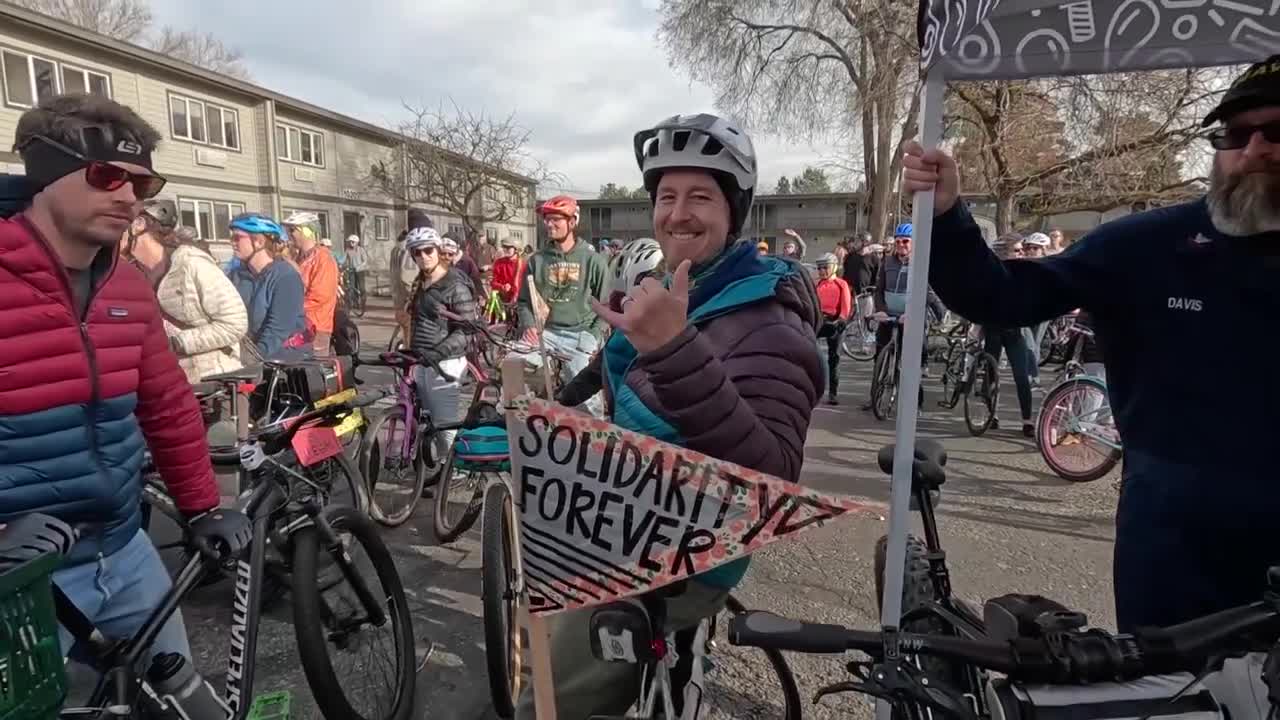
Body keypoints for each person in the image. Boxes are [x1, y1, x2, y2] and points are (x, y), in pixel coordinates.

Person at [901, 54, 1280, 632]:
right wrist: (951, 214)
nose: (1253, 150)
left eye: (1276, 131)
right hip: (1177, 548)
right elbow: (1002, 298)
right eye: (1233, 133)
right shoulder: (1148, 245)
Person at [517, 113, 822, 720]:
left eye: (700, 197)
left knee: (548, 701)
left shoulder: (769, 320)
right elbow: (612, 364)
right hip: (621, 522)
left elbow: (770, 479)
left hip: (685, 551)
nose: (678, 213)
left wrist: (676, 350)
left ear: (734, 211)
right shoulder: (664, 287)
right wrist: (553, 419)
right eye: (666, 196)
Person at [1, 92, 249, 665]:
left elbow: (167, 406)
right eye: (107, 175)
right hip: (19, 579)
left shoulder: (128, 286)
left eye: (142, 184)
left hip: (123, 550)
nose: (128, 197)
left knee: (178, 700)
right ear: (46, 174)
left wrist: (201, 507)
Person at [120, 198, 247, 383]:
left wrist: (177, 343)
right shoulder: (133, 273)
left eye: (120, 225)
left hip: (217, 382)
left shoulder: (191, 264)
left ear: (139, 225)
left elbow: (235, 324)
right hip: (171, 381)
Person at [517, 194, 608, 415]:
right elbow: (523, 301)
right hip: (544, 333)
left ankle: (594, 441)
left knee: (587, 399)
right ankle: (528, 430)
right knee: (514, 371)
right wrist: (529, 324)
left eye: (556, 219)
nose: (549, 224)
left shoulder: (593, 260)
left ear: (572, 222)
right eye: (547, 219)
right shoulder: (536, 260)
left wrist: (594, 334)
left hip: (580, 333)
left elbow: (606, 306)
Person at [403, 226, 478, 461]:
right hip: (423, 361)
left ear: (438, 251)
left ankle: (455, 468)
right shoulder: (421, 282)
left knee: (445, 423)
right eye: (417, 252)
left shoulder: (455, 285)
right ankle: (440, 464)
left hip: (447, 363)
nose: (423, 256)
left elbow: (466, 331)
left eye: (428, 250)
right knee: (431, 420)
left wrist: (439, 352)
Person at [861, 222, 945, 411]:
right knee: (880, 357)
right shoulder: (887, 262)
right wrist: (880, 309)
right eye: (898, 242)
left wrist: (915, 314)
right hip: (889, 315)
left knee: (910, 362)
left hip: (911, 316)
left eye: (905, 241)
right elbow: (879, 289)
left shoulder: (922, 263)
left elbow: (928, 292)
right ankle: (875, 395)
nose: (901, 245)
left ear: (913, 243)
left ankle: (917, 403)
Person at [226, 213, 308, 358]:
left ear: (258, 242)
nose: (232, 242)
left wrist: (250, 360)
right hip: (250, 355)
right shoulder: (235, 276)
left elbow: (276, 331)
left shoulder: (285, 277)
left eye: (237, 237)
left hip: (285, 361)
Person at [978, 234, 1036, 436]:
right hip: (993, 328)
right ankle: (990, 415)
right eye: (1017, 250)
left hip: (1014, 330)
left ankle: (1027, 420)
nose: (1022, 253)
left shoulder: (1025, 273)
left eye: (1022, 250)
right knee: (990, 373)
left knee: (1022, 375)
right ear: (1004, 253)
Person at [282, 211, 339, 355]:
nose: (289, 234)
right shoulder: (298, 257)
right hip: (297, 325)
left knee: (312, 372)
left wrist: (289, 309)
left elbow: (319, 296)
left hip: (316, 327)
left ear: (306, 231)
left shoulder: (323, 258)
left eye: (293, 230)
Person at [815, 252, 852, 405]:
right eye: (819, 268)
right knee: (809, 352)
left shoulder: (841, 284)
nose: (822, 271)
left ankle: (833, 392)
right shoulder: (817, 284)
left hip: (835, 322)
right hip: (820, 321)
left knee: (834, 358)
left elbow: (846, 305)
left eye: (825, 267)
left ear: (835, 267)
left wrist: (842, 319)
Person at [491, 237, 525, 305]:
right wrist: (502, 286)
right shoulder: (499, 263)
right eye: (504, 247)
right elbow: (493, 282)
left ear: (516, 250)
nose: (505, 249)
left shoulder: (523, 265)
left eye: (508, 248)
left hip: (519, 301)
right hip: (502, 300)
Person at [343, 234, 368, 298]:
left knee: (362, 287)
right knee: (352, 287)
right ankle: (354, 302)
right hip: (351, 271)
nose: (351, 243)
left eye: (353, 242)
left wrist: (359, 267)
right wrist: (342, 265)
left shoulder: (361, 250)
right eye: (350, 242)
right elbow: (343, 259)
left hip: (360, 271)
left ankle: (363, 301)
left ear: (357, 242)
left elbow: (365, 261)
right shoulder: (347, 250)